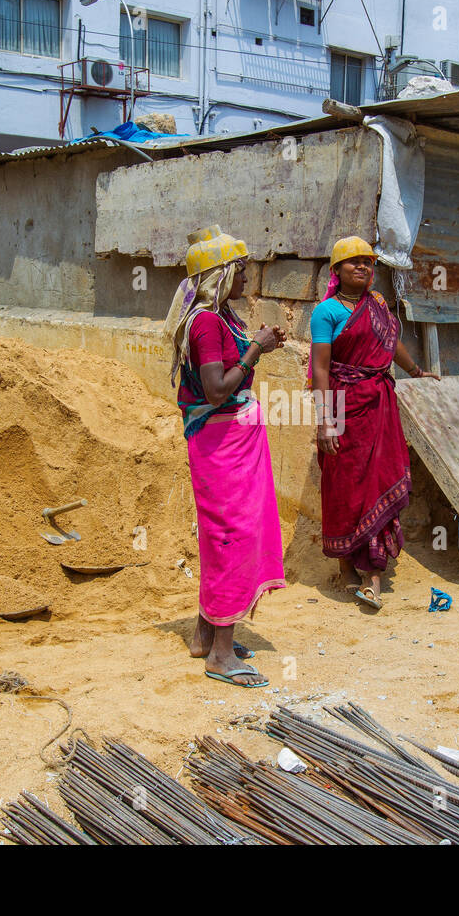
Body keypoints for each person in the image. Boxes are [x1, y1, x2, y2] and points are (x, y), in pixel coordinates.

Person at [165, 225, 287, 688]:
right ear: (219, 274)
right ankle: (220, 655)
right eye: (238, 269)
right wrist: (257, 349)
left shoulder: (222, 317)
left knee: (224, 537)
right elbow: (216, 390)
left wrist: (254, 340)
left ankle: (204, 635)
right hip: (221, 446)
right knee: (231, 538)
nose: (244, 277)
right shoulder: (205, 323)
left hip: (233, 443)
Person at [309, 236, 438, 609]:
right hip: (344, 408)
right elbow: (320, 368)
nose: (363, 268)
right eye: (354, 262)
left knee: (377, 482)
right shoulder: (327, 312)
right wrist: (325, 420)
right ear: (337, 271)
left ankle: (373, 577)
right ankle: (347, 567)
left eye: (368, 262)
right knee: (343, 488)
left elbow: (391, 343)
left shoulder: (378, 304)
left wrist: (415, 369)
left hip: (379, 405)